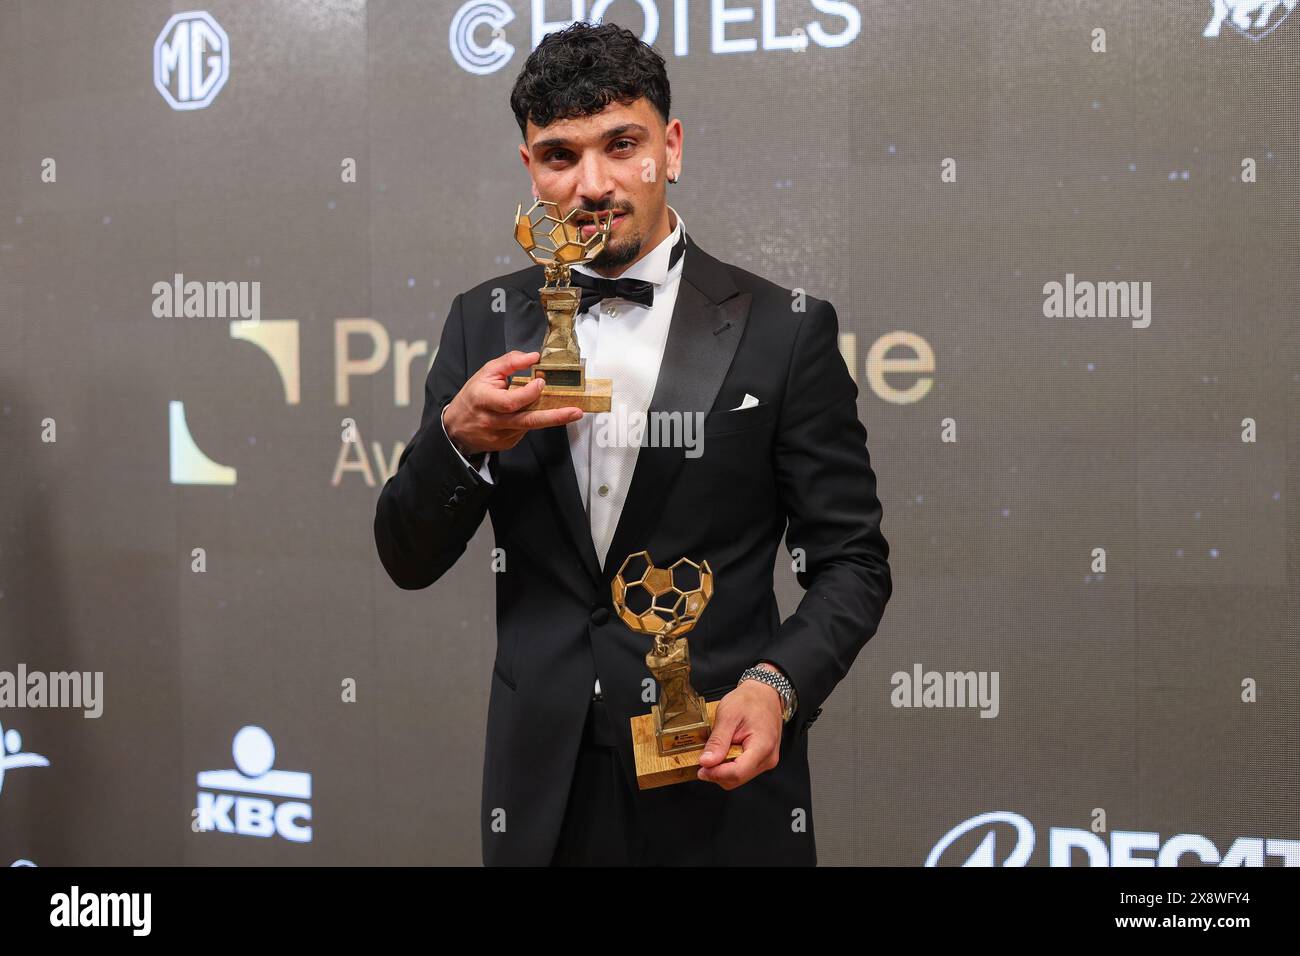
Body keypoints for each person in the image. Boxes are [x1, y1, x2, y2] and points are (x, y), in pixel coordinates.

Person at [374, 21, 891, 866]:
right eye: (559, 156)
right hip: (540, 790)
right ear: (530, 170)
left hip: (718, 781)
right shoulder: (483, 321)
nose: (594, 184)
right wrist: (456, 440)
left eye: (623, 145)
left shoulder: (783, 333)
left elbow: (852, 563)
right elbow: (407, 553)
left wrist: (776, 685)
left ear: (672, 147)